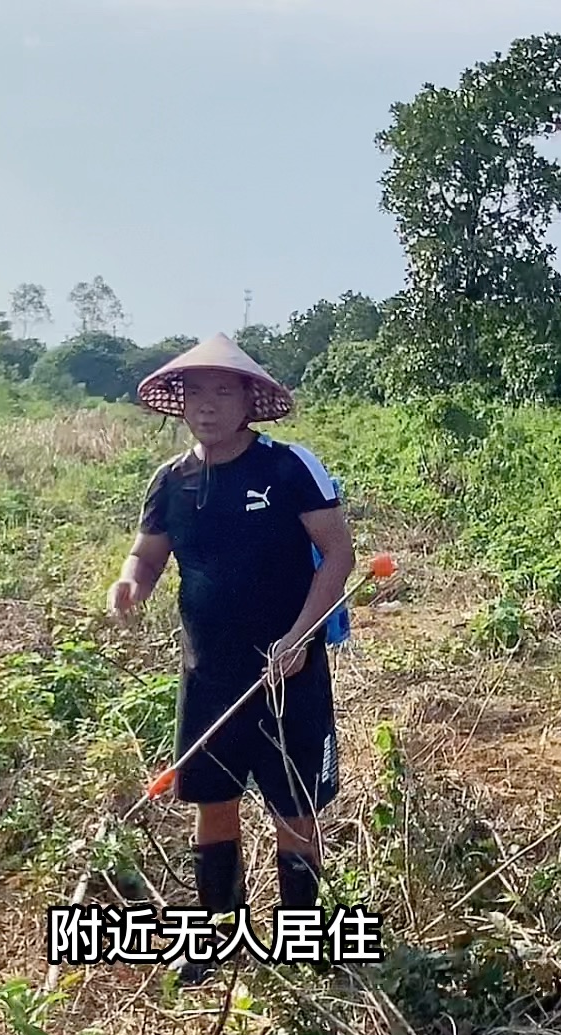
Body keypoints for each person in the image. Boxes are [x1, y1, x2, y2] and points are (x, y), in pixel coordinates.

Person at [106, 332, 355, 985]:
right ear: (179, 403)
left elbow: (339, 555)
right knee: (211, 802)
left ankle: (302, 940)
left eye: (223, 391)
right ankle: (217, 937)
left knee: (293, 807)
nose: (208, 405)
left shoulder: (287, 468)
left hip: (284, 674)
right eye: (196, 392)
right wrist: (130, 582)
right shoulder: (172, 483)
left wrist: (301, 635)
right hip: (207, 675)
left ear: (250, 399)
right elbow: (148, 554)